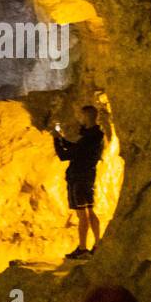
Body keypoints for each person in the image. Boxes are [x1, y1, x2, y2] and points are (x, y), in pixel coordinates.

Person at [53, 105, 106, 259]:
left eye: (81, 117)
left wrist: (56, 141)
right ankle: (97, 244)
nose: (79, 120)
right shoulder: (95, 135)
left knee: (82, 215)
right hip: (87, 177)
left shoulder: (89, 138)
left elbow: (64, 156)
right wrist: (62, 139)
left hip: (79, 178)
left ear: (87, 117)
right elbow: (77, 148)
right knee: (90, 211)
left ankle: (82, 248)